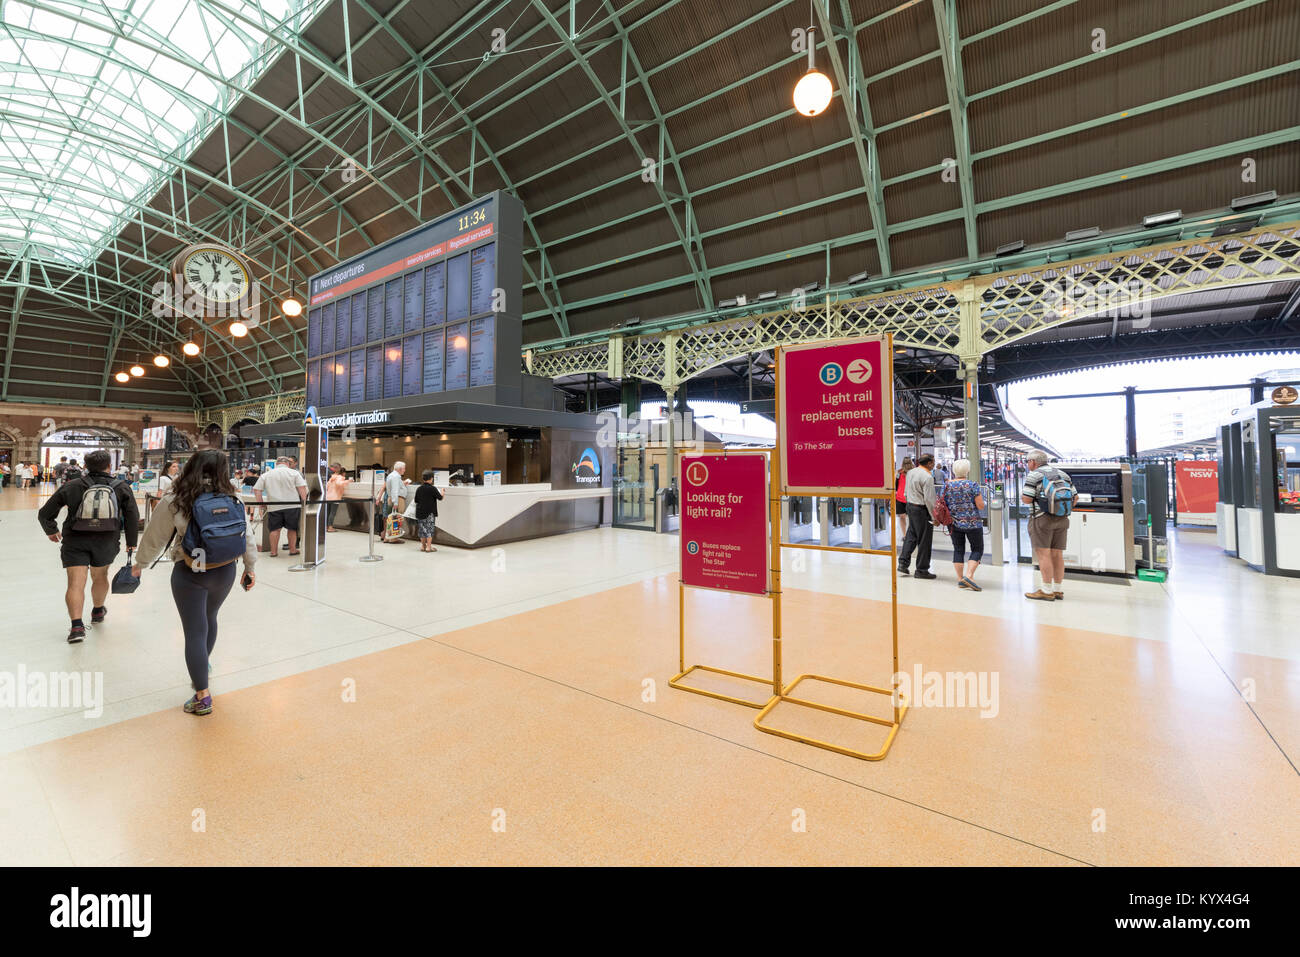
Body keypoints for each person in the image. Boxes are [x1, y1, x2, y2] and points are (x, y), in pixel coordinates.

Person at [131, 449, 256, 716]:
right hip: (225, 570)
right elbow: (247, 536)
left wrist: (139, 565)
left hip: (191, 572)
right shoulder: (233, 496)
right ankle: (203, 665)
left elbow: (154, 536)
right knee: (211, 618)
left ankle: (202, 696)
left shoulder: (177, 498)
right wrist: (250, 567)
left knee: (194, 631)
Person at [37, 448, 140, 643]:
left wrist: (51, 530)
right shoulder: (121, 486)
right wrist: (132, 543)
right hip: (107, 540)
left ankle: (76, 627)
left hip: (75, 539)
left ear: (85, 466)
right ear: (110, 466)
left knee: (76, 582)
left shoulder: (72, 485)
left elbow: (45, 513)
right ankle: (97, 611)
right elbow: (132, 516)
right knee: (100, 576)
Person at [1021, 449, 1077, 601]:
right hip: (1063, 518)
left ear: (1033, 462)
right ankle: (1057, 590)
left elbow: (1026, 499)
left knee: (1043, 554)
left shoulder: (1034, 475)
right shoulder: (1063, 474)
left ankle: (1046, 590)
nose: (1028, 465)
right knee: (1057, 554)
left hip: (1041, 519)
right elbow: (1075, 498)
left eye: (1028, 462)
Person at [941, 458, 986, 592]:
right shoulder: (972, 485)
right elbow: (980, 505)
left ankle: (960, 579)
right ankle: (969, 575)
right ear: (968, 470)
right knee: (977, 549)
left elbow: (944, 504)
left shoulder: (946, 485)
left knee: (958, 549)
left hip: (953, 523)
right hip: (973, 523)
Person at [253, 457, 307, 556]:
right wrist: (304, 502)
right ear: (287, 464)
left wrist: (261, 504)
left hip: (274, 506)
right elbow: (302, 488)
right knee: (292, 529)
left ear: (277, 464)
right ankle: (292, 550)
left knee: (274, 529)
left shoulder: (267, 474)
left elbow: (257, 489)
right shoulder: (294, 473)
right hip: (292, 505)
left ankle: (273, 552)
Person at [897, 453, 937, 580]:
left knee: (911, 535)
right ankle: (922, 569)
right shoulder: (928, 477)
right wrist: (934, 517)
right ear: (929, 463)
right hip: (921, 509)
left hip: (910, 506)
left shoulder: (911, 472)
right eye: (933, 462)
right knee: (924, 540)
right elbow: (929, 499)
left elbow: (906, 490)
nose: (934, 464)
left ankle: (903, 563)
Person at [413, 469, 444, 552]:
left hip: (420, 512)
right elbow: (440, 498)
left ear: (423, 479)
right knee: (429, 529)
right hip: (429, 513)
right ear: (431, 479)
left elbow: (416, 500)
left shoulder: (419, 488)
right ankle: (429, 547)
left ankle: (423, 546)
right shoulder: (433, 488)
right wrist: (442, 492)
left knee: (422, 529)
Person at [380, 461, 409, 544]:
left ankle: (387, 537)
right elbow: (395, 490)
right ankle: (394, 539)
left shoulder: (391, 475)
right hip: (397, 499)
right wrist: (396, 503)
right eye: (404, 469)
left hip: (391, 498)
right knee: (396, 518)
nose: (404, 470)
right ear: (400, 469)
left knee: (391, 518)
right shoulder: (396, 476)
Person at [325, 464, 349, 532]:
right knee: (332, 513)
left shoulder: (332, 478)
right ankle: (330, 527)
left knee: (328, 513)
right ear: (343, 473)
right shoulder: (340, 477)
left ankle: (326, 527)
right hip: (335, 497)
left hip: (328, 497)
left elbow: (327, 486)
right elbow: (339, 483)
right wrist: (348, 481)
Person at [895, 457, 913, 538]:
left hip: (901, 498)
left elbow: (895, 485)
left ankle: (905, 535)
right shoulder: (914, 472)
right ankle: (908, 535)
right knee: (912, 519)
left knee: (902, 517)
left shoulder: (899, 472)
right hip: (910, 498)